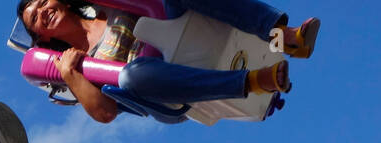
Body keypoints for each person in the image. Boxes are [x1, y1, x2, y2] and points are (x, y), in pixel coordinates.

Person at [16, 0, 320, 124]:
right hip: (159, 88)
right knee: (132, 77)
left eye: (44, 1)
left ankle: (285, 36)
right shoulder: (76, 64)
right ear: (40, 36)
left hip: (179, 31)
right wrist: (70, 74)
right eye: (35, 17)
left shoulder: (102, 7)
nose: (43, 10)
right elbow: (105, 112)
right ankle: (254, 81)